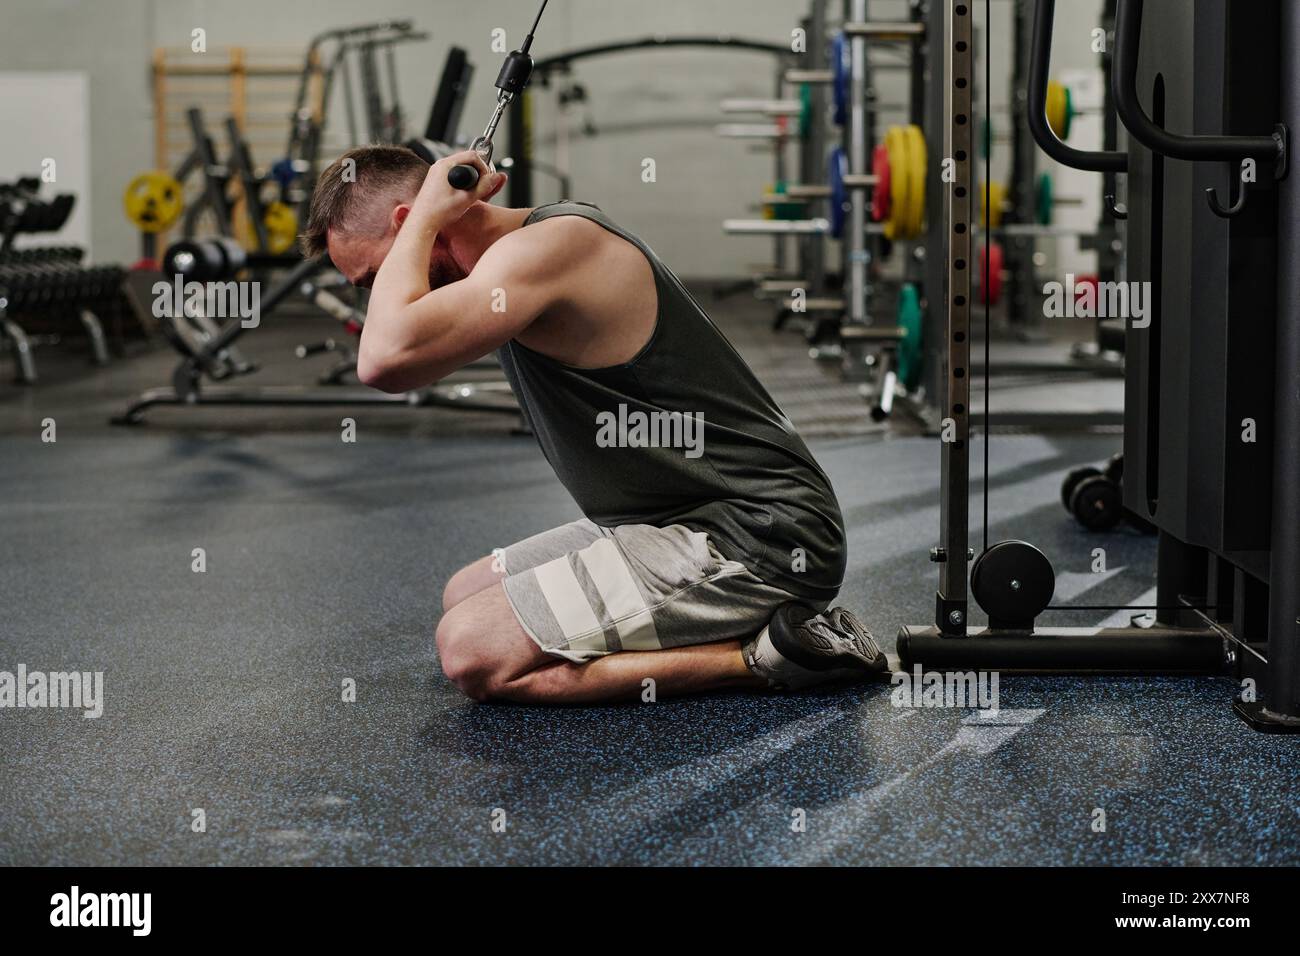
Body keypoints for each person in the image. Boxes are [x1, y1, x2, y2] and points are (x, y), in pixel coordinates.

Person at [302, 145, 888, 703]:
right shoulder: (502, 264)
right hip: (666, 520)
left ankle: (774, 657)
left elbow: (382, 361)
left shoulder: (551, 248)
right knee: (464, 595)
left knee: (472, 652)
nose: (377, 298)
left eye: (373, 280)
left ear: (413, 222)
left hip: (759, 534)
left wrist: (427, 214)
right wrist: (424, 223)